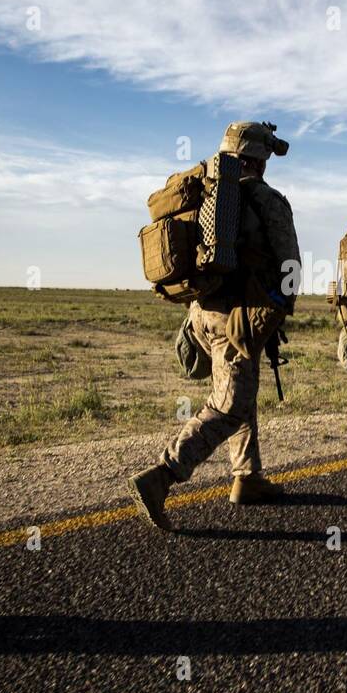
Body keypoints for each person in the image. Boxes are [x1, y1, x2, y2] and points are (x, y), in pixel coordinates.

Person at [127, 122, 300, 529]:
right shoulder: (265, 199)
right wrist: (275, 307)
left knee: (241, 390)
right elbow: (289, 265)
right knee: (229, 404)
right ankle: (161, 476)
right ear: (258, 159)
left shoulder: (207, 195)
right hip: (237, 318)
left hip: (201, 313)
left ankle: (247, 477)